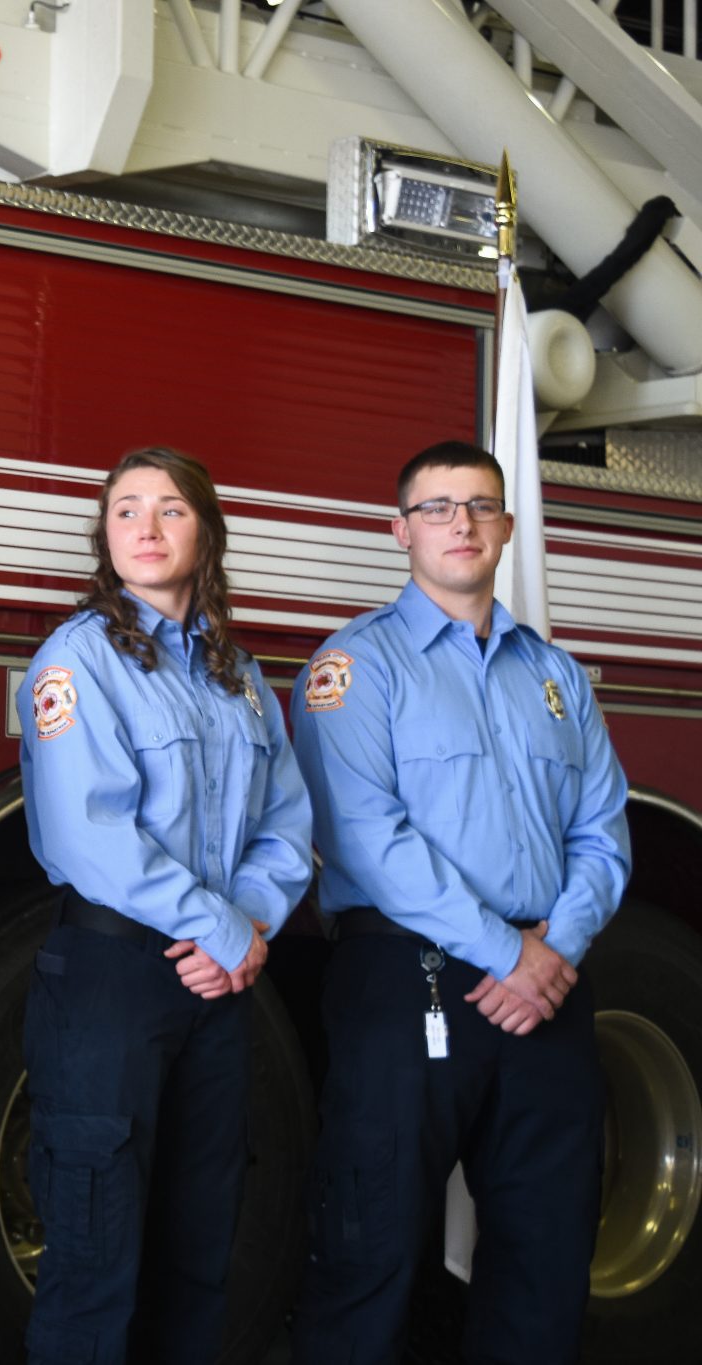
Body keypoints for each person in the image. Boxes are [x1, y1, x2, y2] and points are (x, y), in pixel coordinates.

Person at [288, 441, 630, 1365]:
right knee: (371, 1252)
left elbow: (604, 831)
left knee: (545, 1259)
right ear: (399, 531)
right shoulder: (354, 669)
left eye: (481, 506)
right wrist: (510, 954)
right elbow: (368, 839)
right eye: (438, 508)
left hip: (546, 993)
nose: (462, 524)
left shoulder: (558, 677)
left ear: (509, 527)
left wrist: (551, 950)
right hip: (408, 984)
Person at [16, 447, 314, 1365]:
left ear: (207, 533)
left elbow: (288, 820)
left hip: (218, 986)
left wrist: (251, 921)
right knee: (96, 1260)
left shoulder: (235, 673)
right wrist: (225, 929)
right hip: (111, 984)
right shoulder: (79, 660)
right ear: (105, 539)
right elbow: (88, 834)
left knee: (199, 1255)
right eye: (125, 511)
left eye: (170, 509)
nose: (146, 527)